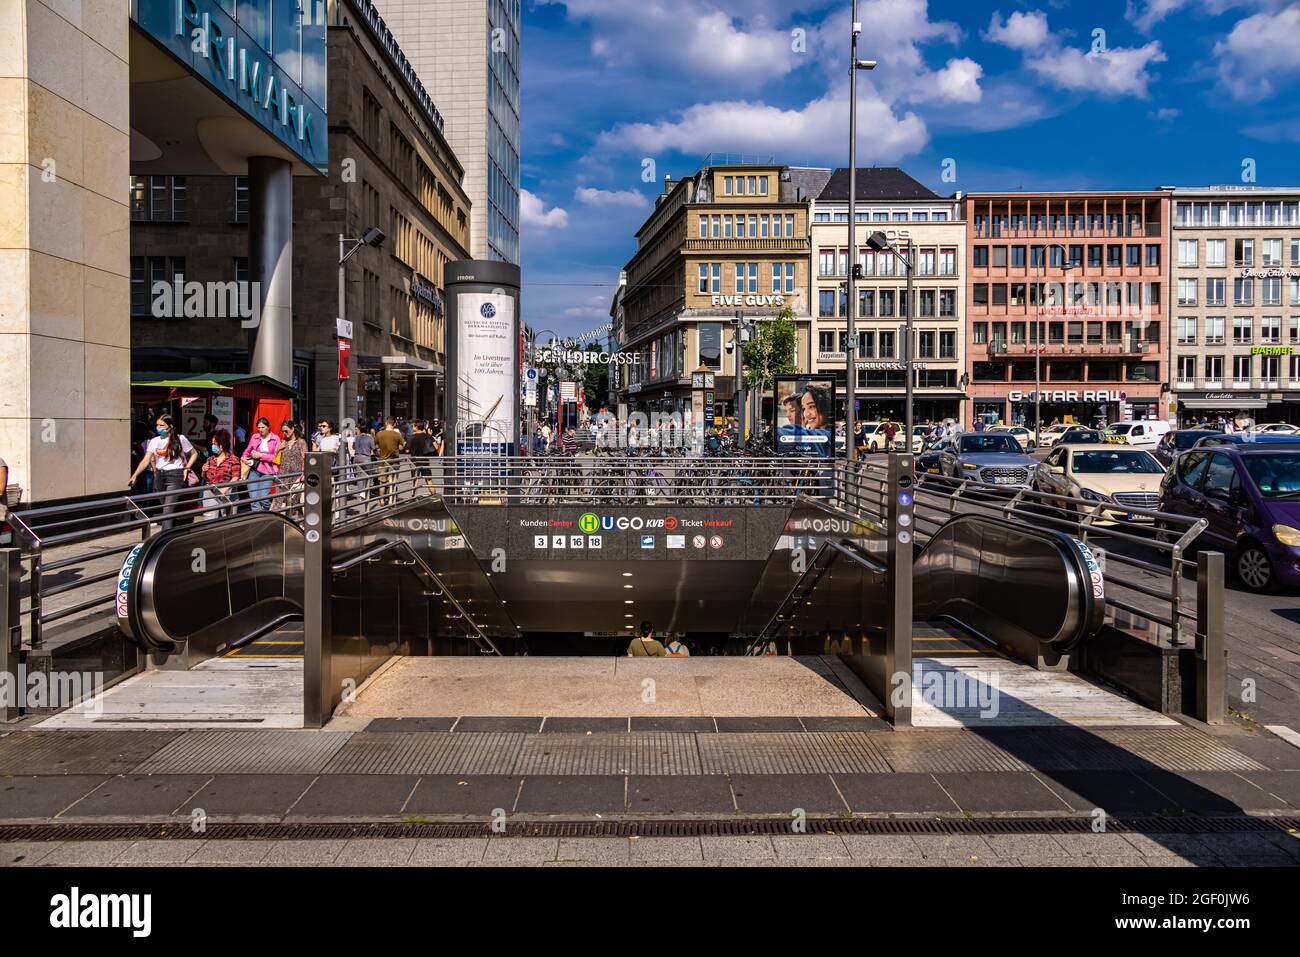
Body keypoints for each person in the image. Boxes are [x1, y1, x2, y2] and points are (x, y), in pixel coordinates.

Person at [128, 414, 199, 530]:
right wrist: (135, 475)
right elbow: (146, 460)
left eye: (162, 425)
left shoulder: (180, 439)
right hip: (159, 476)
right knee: (167, 510)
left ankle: (164, 539)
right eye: (157, 425)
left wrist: (186, 468)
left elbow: (194, 454)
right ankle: (175, 534)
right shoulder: (154, 441)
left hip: (175, 476)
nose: (158, 428)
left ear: (170, 426)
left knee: (167, 512)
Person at [240, 417, 280, 511]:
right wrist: (243, 457)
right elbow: (248, 449)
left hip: (268, 471)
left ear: (268, 427)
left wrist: (261, 455)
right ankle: (258, 521)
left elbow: (276, 458)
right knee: (254, 499)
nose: (260, 430)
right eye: (258, 427)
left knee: (263, 499)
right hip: (255, 469)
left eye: (262, 427)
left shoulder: (275, 439)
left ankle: (271, 512)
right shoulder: (255, 437)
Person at [200, 428, 241, 519]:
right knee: (209, 521)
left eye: (214, 444)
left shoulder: (233, 459)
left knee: (227, 523)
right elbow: (204, 477)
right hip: (210, 492)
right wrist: (203, 470)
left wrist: (224, 489)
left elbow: (236, 477)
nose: (212, 446)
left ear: (222, 445)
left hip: (228, 494)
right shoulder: (210, 459)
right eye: (212, 444)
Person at [275, 421, 308, 514]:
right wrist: (278, 449)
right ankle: (280, 521)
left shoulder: (301, 442)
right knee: (280, 500)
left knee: (295, 501)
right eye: (283, 431)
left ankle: (297, 522)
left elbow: (305, 459)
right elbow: (276, 458)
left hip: (296, 476)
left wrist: (304, 474)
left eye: (286, 431)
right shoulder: (283, 442)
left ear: (292, 429)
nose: (284, 433)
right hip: (283, 475)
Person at [375, 417, 405, 505]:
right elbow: (402, 446)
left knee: (382, 482)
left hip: (382, 462)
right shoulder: (397, 434)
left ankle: (382, 500)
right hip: (394, 461)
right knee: (393, 482)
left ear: (385, 423)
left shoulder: (379, 434)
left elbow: (375, 446)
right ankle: (392, 500)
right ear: (394, 424)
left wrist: (379, 452)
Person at [406, 419, 437, 495]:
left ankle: (413, 497)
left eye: (413, 426)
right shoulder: (428, 436)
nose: (412, 427)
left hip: (415, 461)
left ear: (416, 427)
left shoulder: (412, 437)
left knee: (414, 480)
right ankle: (434, 495)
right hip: (425, 461)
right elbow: (436, 447)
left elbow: (407, 450)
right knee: (429, 480)